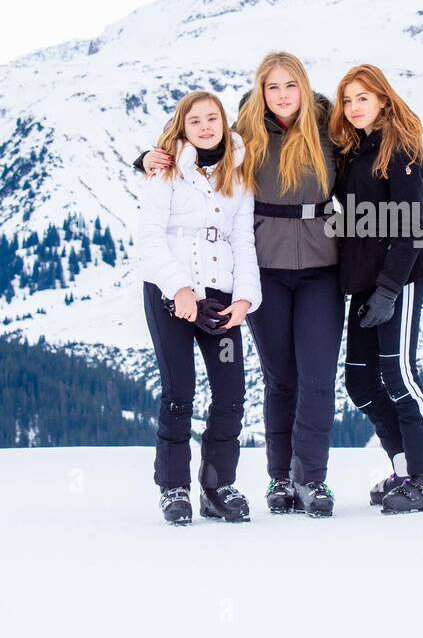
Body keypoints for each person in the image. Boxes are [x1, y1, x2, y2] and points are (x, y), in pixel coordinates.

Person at [134, 53, 344, 517]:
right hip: (218, 281)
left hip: (291, 275)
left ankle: (291, 480)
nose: (283, 95)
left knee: (281, 385)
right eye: (273, 87)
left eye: (292, 86)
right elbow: (155, 223)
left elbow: (241, 234)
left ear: (305, 88)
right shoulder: (238, 140)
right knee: (232, 386)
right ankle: (220, 484)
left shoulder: (323, 132)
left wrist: (245, 296)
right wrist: (146, 157)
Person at [328, 63, 423, 513]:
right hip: (363, 282)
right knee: (360, 381)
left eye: (363, 97)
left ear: (382, 98)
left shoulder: (400, 149)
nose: (354, 107)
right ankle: (403, 467)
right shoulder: (354, 150)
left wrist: (388, 290)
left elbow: (410, 227)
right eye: (347, 99)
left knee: (399, 375)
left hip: (401, 277)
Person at [137, 91, 260, 525]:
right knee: (179, 394)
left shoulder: (238, 174)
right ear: (182, 127)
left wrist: (244, 297)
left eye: (213, 119)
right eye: (195, 121)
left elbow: (243, 239)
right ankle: (173, 488)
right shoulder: (164, 172)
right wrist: (180, 290)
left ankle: (217, 485)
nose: (206, 127)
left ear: (224, 124)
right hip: (171, 293)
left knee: (230, 394)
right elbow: (150, 237)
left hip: (222, 295)